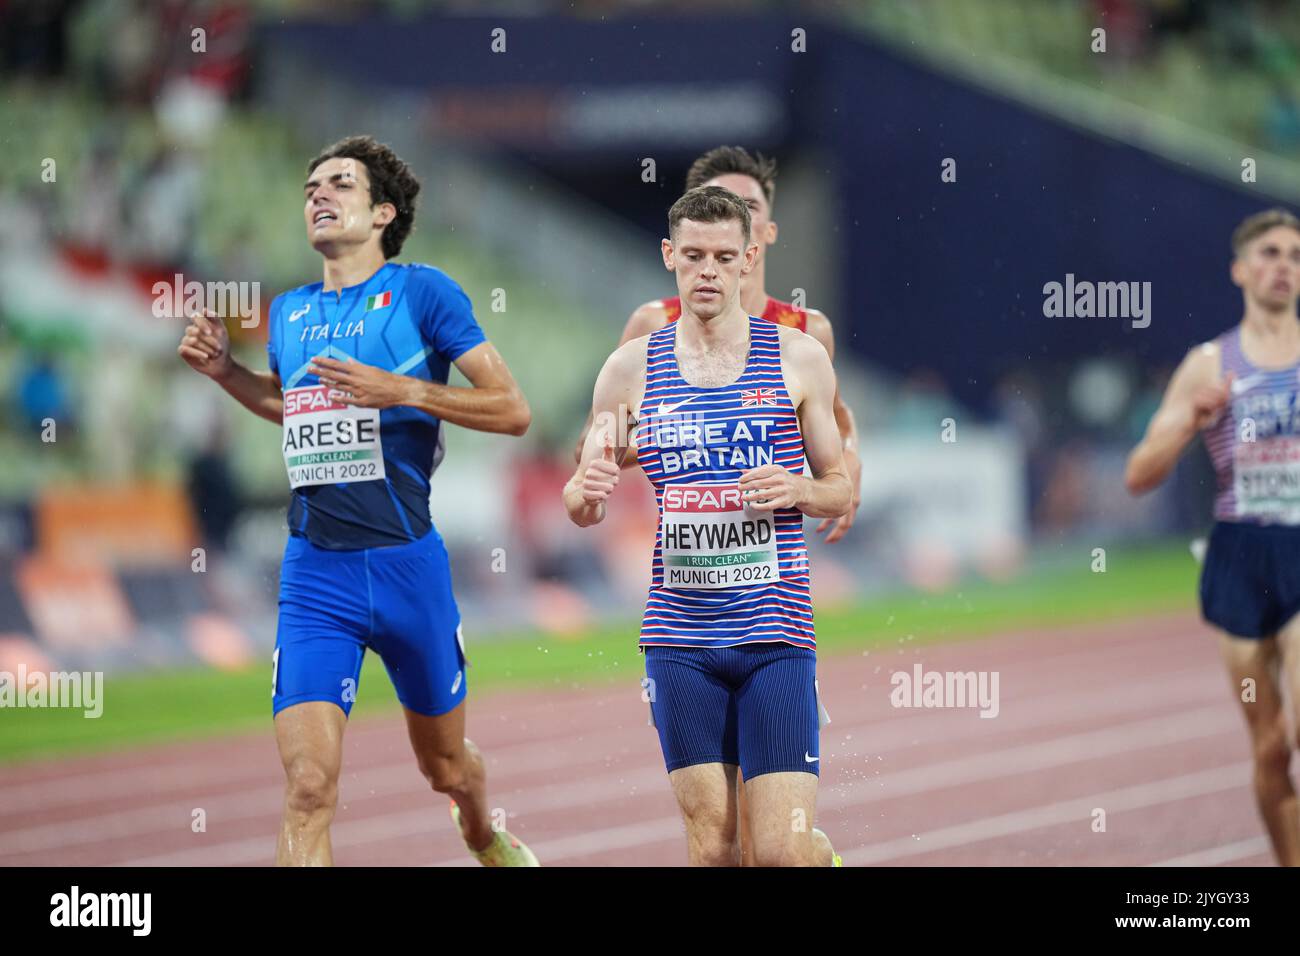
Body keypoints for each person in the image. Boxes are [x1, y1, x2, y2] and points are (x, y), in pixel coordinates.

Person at [178, 135, 538, 866]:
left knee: (444, 768)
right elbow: (294, 405)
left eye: (339, 183)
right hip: (316, 576)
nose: (318, 194)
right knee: (308, 785)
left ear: (381, 213)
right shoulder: (289, 311)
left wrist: (402, 389)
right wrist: (226, 373)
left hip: (409, 569)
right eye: (311, 185)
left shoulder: (422, 292)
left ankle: (480, 830)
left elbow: (511, 409)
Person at [565, 186, 851, 866]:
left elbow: (839, 490)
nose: (708, 272)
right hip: (679, 640)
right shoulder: (629, 369)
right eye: (693, 256)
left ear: (750, 258)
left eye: (725, 257)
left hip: (774, 637)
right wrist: (586, 490)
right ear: (669, 255)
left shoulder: (799, 358)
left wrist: (799, 488)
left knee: (779, 853)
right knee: (716, 846)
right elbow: (583, 493)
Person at [1125, 208, 1300, 866]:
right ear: (1241, 270)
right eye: (1270, 253)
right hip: (1241, 558)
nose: (1284, 265)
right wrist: (1190, 422)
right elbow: (1139, 474)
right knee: (1269, 744)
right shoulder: (1208, 364)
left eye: (1294, 254)